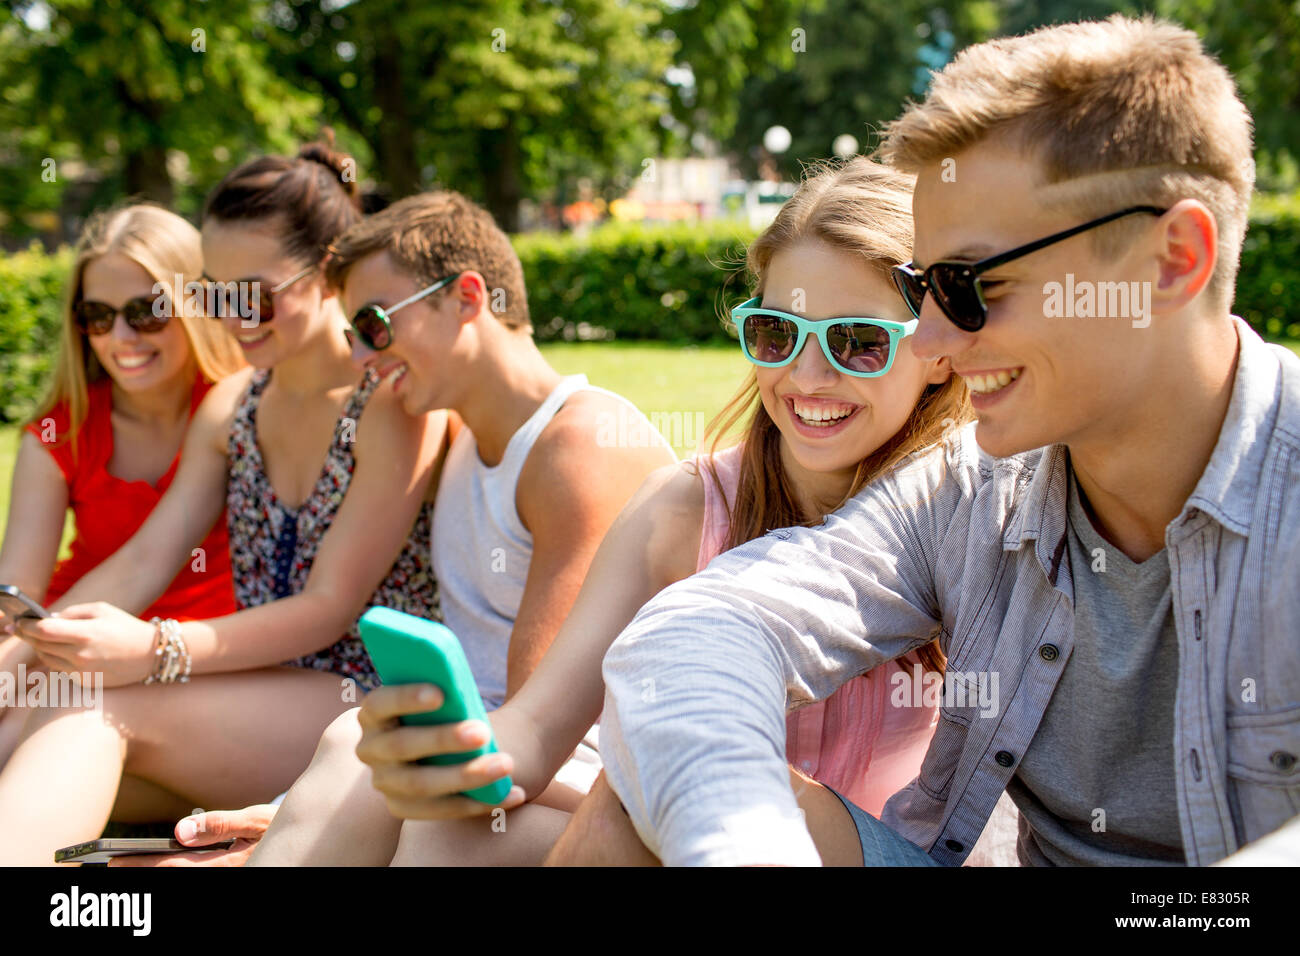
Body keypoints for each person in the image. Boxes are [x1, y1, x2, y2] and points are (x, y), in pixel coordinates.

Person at [573, 15, 1300, 866]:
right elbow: (699, 635)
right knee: (630, 808)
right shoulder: (972, 487)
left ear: (1170, 260)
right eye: (924, 288)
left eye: (969, 284)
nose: (929, 343)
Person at [119, 187, 678, 866]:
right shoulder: (461, 440)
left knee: (413, 810)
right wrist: (297, 810)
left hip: (604, 804)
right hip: (465, 776)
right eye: (352, 333)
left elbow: (536, 741)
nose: (361, 355)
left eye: (375, 325)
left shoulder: (579, 447)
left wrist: (345, 810)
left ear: (467, 298)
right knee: (347, 755)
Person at [0, 138, 445, 865]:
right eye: (213, 292)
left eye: (254, 294)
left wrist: (155, 651)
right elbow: (145, 559)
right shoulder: (235, 404)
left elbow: (329, 609)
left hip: (368, 703)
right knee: (41, 715)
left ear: (328, 270)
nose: (233, 315)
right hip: (258, 696)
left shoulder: (388, 405)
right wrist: (24, 649)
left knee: (89, 705)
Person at [0, 204, 244, 762]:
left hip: (199, 651)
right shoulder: (61, 433)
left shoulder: (239, 408)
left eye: (146, 312)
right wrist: (17, 650)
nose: (122, 337)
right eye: (98, 316)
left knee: (40, 721)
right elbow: (19, 592)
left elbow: (146, 562)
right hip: (73, 636)